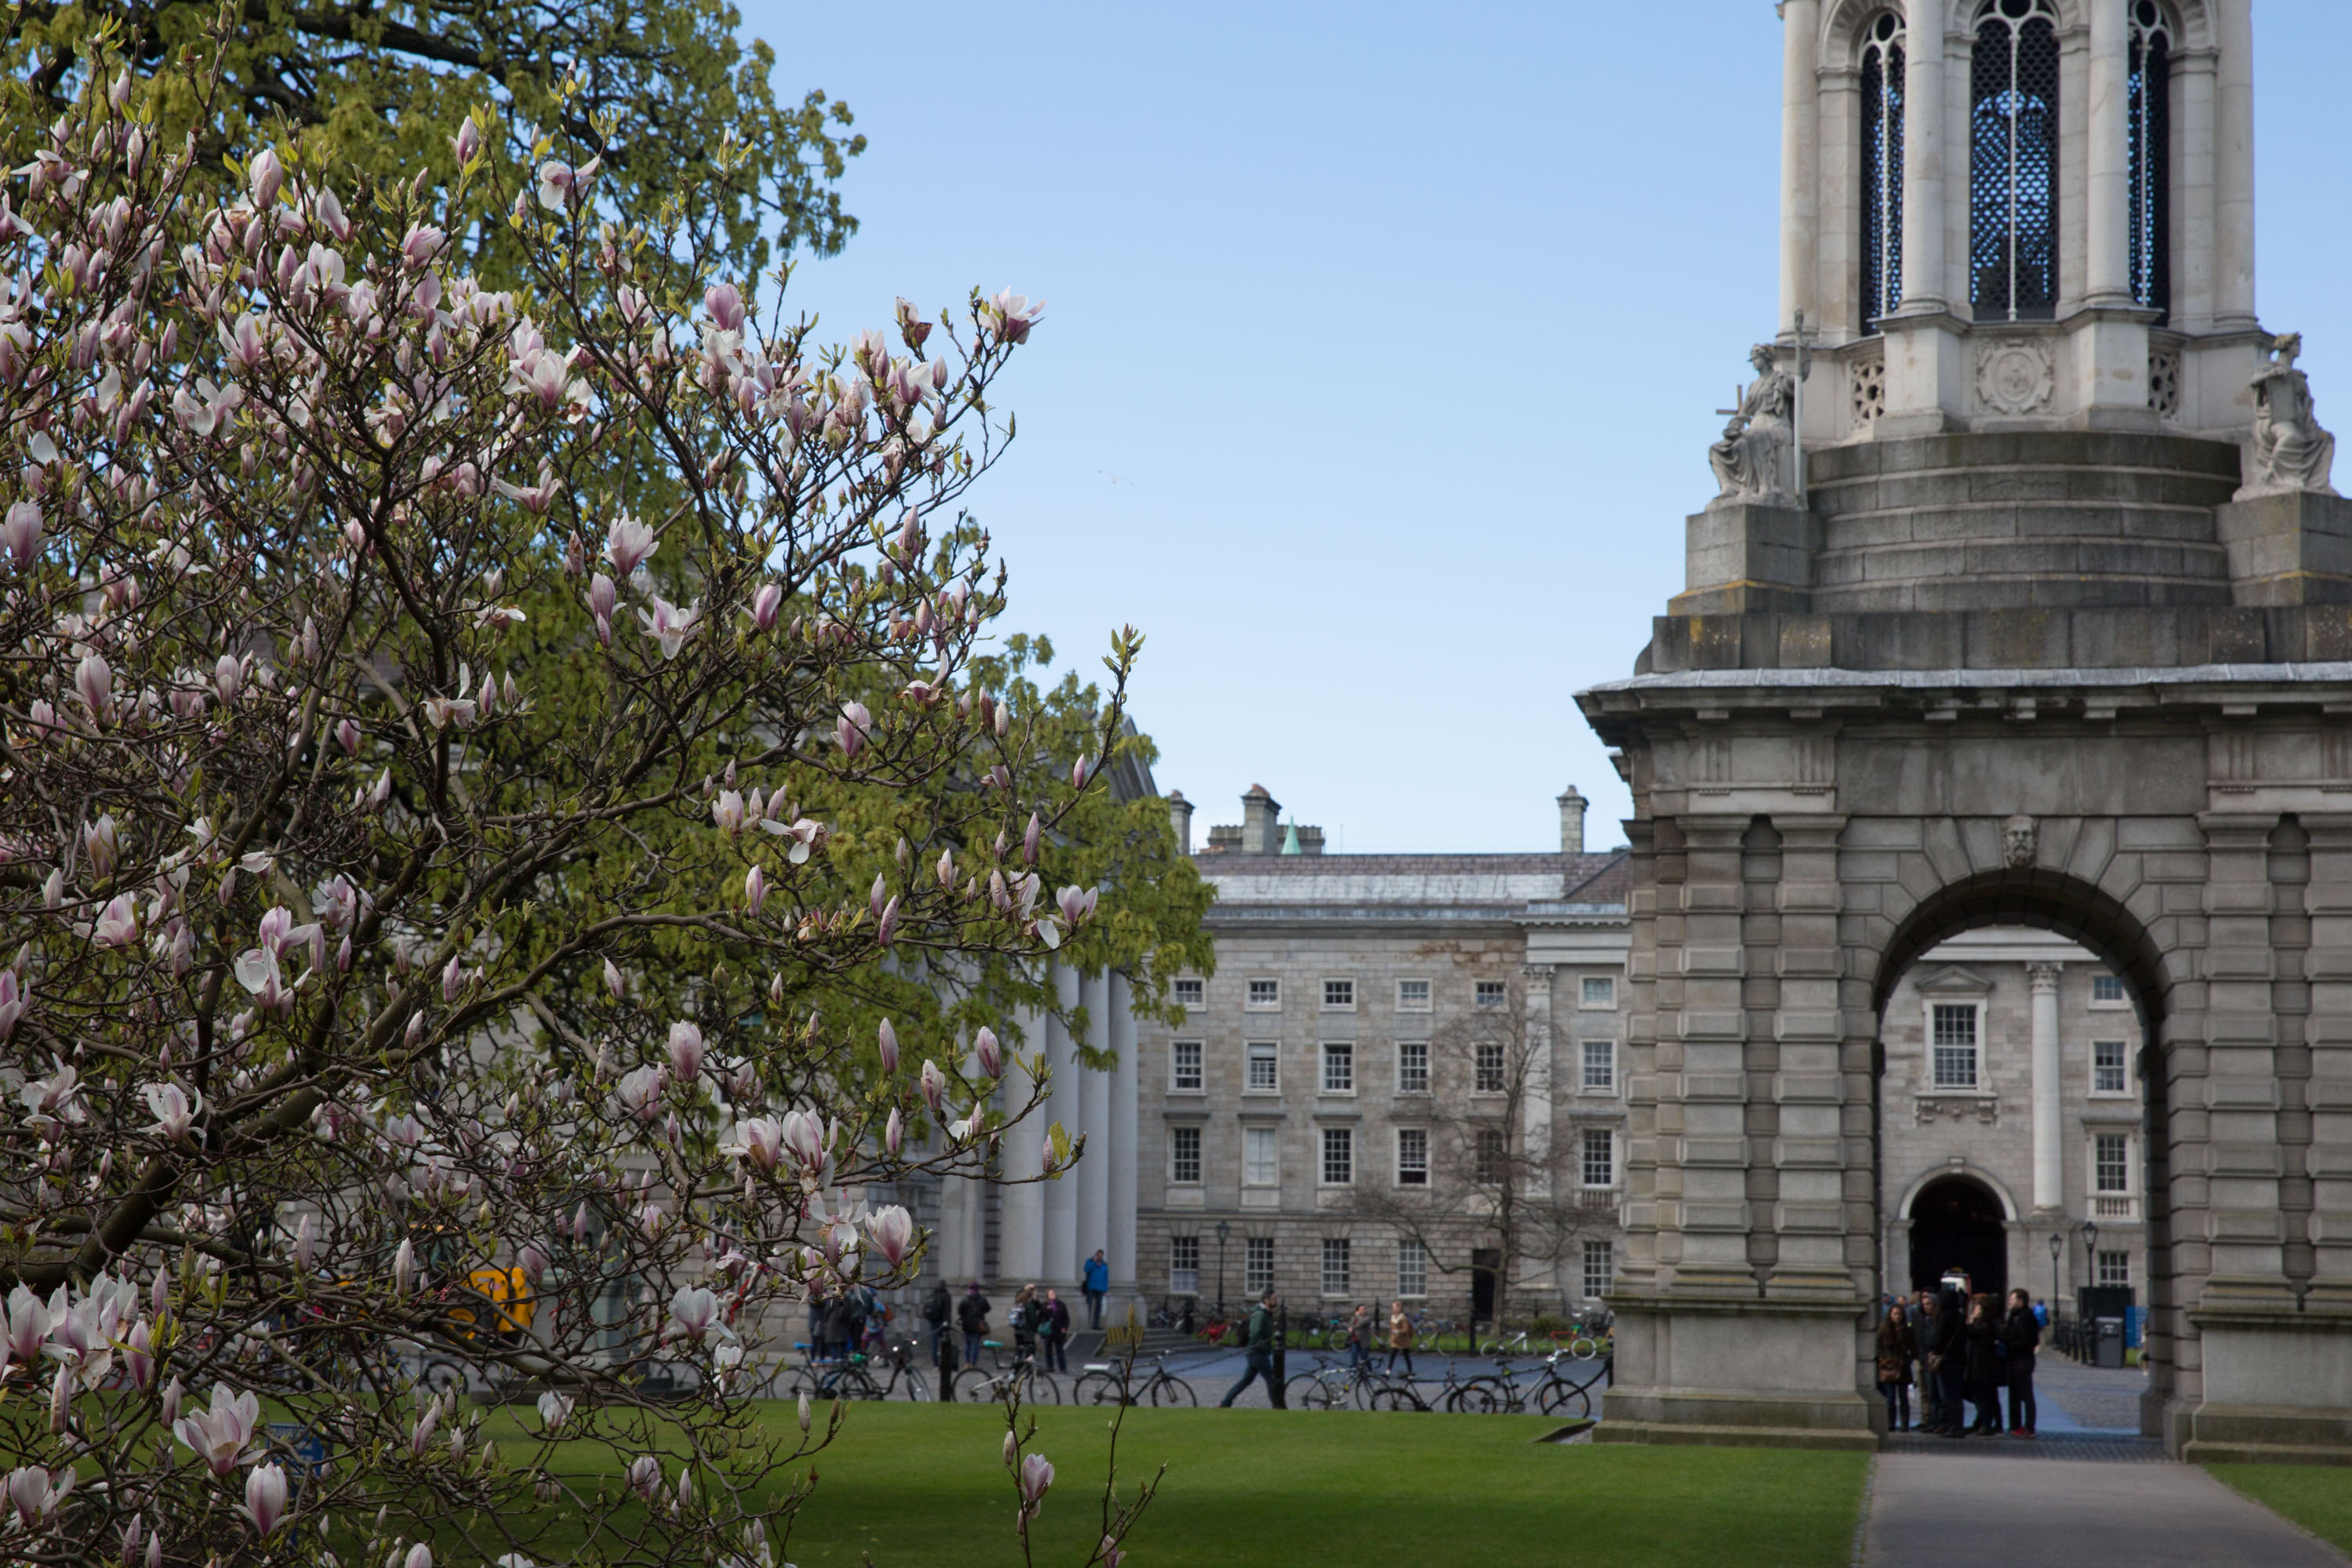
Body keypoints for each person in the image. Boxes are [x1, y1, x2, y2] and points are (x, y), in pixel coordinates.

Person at [1218, 1289, 1281, 1406]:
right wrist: (1259, 1346)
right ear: (1266, 1301)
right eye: (1273, 1299)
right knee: (1271, 1379)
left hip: (1257, 1352)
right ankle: (1277, 1406)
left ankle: (1226, 1402)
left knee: (1246, 1380)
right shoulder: (1260, 1314)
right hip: (1257, 1353)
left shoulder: (1265, 1313)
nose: (1275, 1301)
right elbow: (1255, 1333)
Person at [2002, 1287, 2042, 1437]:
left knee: (2026, 1395)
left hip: (2022, 1360)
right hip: (2014, 1360)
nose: (2010, 1301)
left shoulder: (2025, 1316)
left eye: (2012, 1299)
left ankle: (2029, 1427)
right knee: (2014, 1395)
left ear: (2021, 1301)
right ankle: (2015, 1425)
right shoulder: (2014, 1315)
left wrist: (2011, 1344)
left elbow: (2027, 1340)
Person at [1964, 1294, 2003, 1436]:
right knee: (1982, 1395)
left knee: (1980, 1395)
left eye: (1977, 1307)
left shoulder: (1986, 1325)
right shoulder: (1984, 1323)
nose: (1974, 1309)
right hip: (1978, 1364)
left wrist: (1969, 1322)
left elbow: (1971, 1333)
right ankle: (1981, 1423)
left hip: (1981, 1365)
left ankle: (1986, 1425)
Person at [1875, 1300, 1916, 1432]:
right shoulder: (1884, 1329)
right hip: (1888, 1367)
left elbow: (1914, 1348)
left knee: (1904, 1396)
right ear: (1890, 1315)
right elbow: (1877, 1346)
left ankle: (1905, 1423)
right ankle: (1890, 1422)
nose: (1897, 1317)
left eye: (1899, 1314)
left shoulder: (1907, 1331)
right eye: (1895, 1314)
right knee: (1891, 1397)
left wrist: (1907, 1360)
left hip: (1902, 1367)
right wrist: (1883, 1359)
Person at [1914, 1291, 1947, 1433]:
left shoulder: (1939, 1321)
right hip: (1926, 1360)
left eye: (1928, 1304)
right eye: (1924, 1304)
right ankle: (1932, 1421)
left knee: (1941, 1393)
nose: (1926, 1307)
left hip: (1937, 1361)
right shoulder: (1923, 1320)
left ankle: (1942, 1421)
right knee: (1930, 1393)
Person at [956, 1281, 991, 1369]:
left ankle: (967, 1362)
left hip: (966, 1325)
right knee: (975, 1345)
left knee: (967, 1345)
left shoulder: (965, 1300)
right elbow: (987, 1309)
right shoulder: (982, 1299)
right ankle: (974, 1363)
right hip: (978, 1326)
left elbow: (960, 1312)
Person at [921, 1279, 953, 1370]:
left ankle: (935, 1364)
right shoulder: (947, 1296)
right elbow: (947, 1310)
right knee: (946, 1343)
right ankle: (945, 1362)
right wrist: (947, 1322)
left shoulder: (932, 1294)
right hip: (942, 1323)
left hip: (933, 1322)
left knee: (934, 1343)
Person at [1042, 1287, 1072, 1374]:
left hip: (1059, 1330)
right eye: (1051, 1294)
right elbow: (1042, 1316)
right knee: (1048, 1350)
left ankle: (1063, 1367)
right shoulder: (1044, 1305)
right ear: (1047, 1296)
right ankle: (1050, 1366)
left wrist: (1064, 1328)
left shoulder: (1061, 1304)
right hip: (1048, 1330)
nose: (1053, 1295)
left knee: (1060, 1350)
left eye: (1053, 1293)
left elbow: (1066, 1318)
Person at [1011, 1283, 1040, 1365]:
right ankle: (1027, 1366)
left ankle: (1015, 1365)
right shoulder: (1029, 1306)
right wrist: (1036, 1330)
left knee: (1019, 1349)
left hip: (1018, 1331)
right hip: (1028, 1332)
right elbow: (1033, 1320)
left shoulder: (1019, 1304)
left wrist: (1024, 1288)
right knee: (1030, 1349)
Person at [1082, 1250, 1110, 1330]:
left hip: (1101, 1289)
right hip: (1091, 1287)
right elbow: (1086, 1269)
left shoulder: (1104, 1265)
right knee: (1089, 1306)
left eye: (1101, 1255)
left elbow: (1106, 1277)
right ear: (1096, 1255)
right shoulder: (1090, 1262)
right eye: (1098, 1255)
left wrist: (1105, 1288)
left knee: (1098, 1308)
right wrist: (1092, 1262)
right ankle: (1087, 1323)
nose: (1099, 1256)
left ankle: (1096, 1324)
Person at [1386, 1300, 1416, 1377]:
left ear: (1399, 1308)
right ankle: (1388, 1371)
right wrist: (1391, 1337)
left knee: (1407, 1357)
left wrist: (1397, 1331)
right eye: (1393, 1307)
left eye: (1394, 1307)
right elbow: (1391, 1328)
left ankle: (1410, 1372)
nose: (1393, 1309)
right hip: (1395, 1341)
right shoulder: (1392, 1316)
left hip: (1403, 1341)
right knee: (1392, 1356)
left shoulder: (1403, 1318)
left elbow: (1405, 1329)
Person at [1346, 1305, 1374, 1371]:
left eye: (1364, 1309)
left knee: (1364, 1358)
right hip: (1355, 1340)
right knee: (1354, 1356)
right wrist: (1350, 1329)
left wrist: (1358, 1316)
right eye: (1361, 1309)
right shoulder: (1353, 1318)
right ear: (1357, 1311)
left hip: (1364, 1341)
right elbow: (1349, 1325)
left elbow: (1363, 1322)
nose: (1364, 1310)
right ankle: (1353, 1371)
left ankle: (1370, 1370)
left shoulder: (1368, 1318)